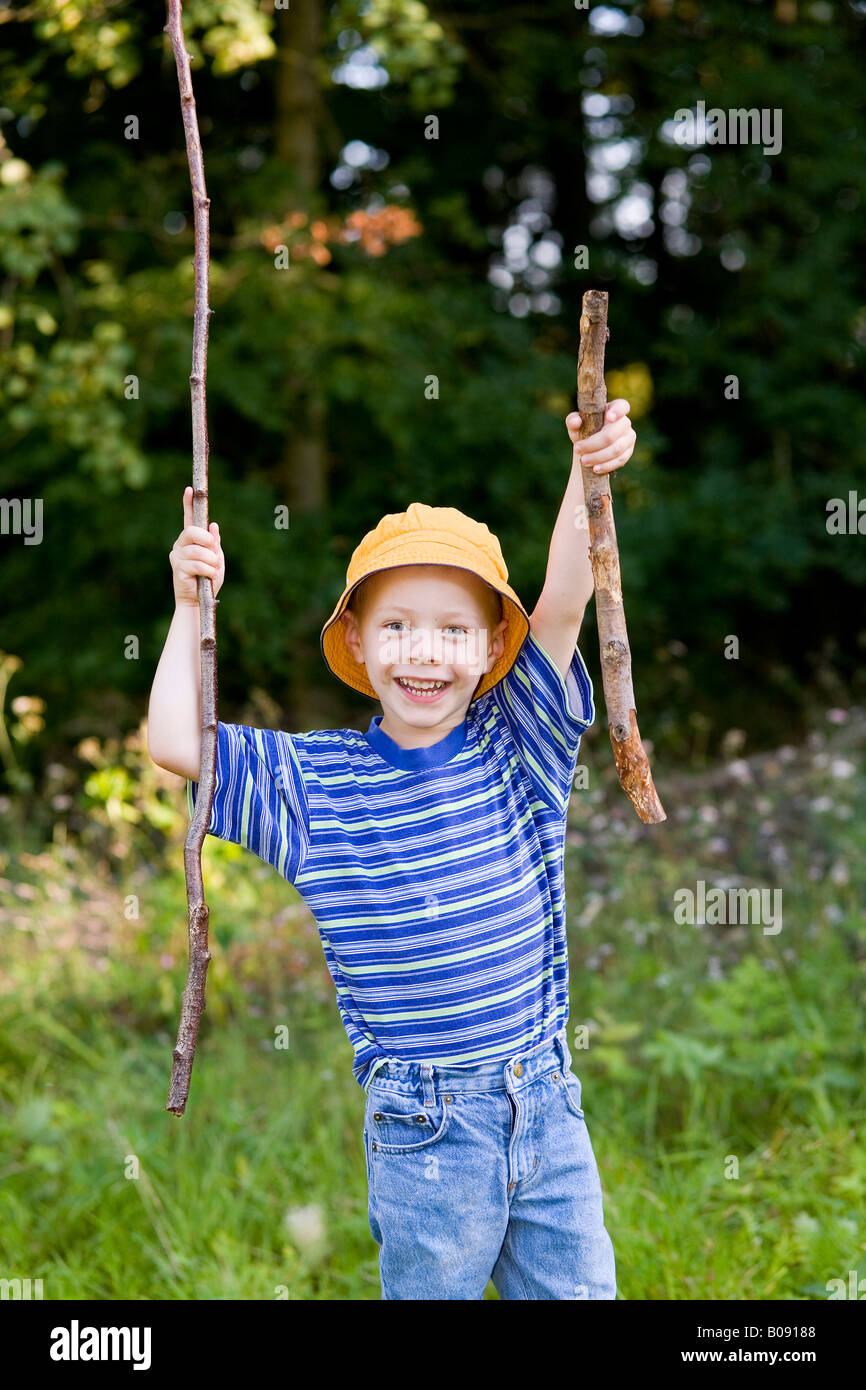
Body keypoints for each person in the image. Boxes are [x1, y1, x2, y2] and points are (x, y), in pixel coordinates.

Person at [148, 401, 637, 1300]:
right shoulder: (315, 785)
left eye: (454, 629)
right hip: (426, 1130)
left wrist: (587, 471)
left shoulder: (515, 742)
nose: (425, 651)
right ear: (360, 644)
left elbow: (564, 600)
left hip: (546, 1106)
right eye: (398, 626)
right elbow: (178, 737)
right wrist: (188, 608)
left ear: (492, 645)